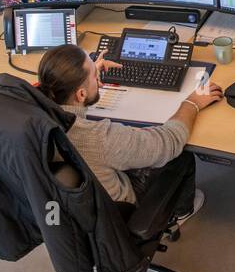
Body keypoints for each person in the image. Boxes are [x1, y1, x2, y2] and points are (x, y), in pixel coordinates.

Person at [36, 44, 223, 220]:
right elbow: (169, 142)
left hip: (71, 203)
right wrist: (193, 103)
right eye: (94, 75)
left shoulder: (32, 112)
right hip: (118, 208)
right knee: (181, 154)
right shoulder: (101, 138)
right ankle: (180, 212)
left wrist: (87, 78)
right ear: (81, 94)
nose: (98, 74)